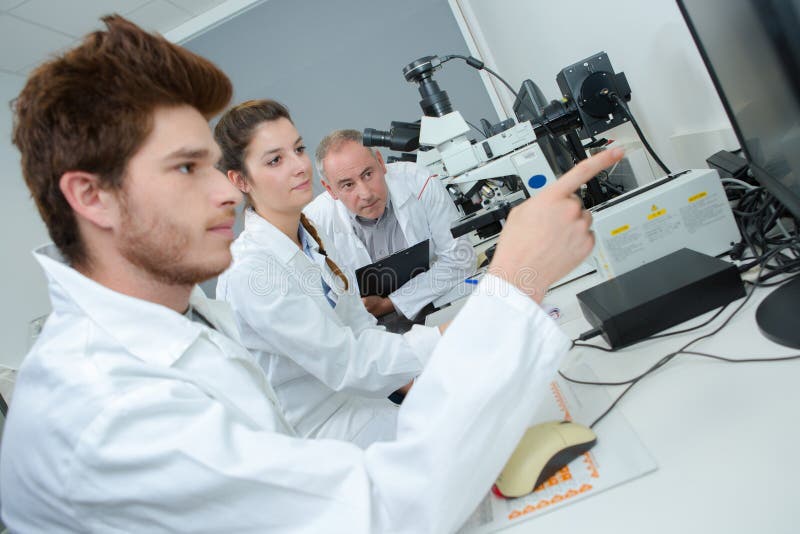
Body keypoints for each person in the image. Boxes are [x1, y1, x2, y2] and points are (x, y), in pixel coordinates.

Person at [0, 15, 623, 533]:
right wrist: (514, 281)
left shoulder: (183, 312)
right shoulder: (108, 409)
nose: (226, 192)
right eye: (188, 168)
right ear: (93, 198)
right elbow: (379, 512)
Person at [213, 99, 442, 447]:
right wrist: (444, 338)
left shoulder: (314, 240)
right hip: (316, 436)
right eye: (275, 160)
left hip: (364, 406)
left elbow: (361, 327)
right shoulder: (251, 273)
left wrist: (417, 380)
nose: (299, 167)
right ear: (240, 180)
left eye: (298, 149)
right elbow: (347, 363)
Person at [304, 130, 477, 325]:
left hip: (439, 301)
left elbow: (461, 260)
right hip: (367, 329)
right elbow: (316, 305)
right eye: (347, 185)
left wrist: (388, 304)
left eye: (368, 174)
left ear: (380, 162)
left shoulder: (418, 181)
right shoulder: (314, 222)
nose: (365, 194)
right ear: (330, 190)